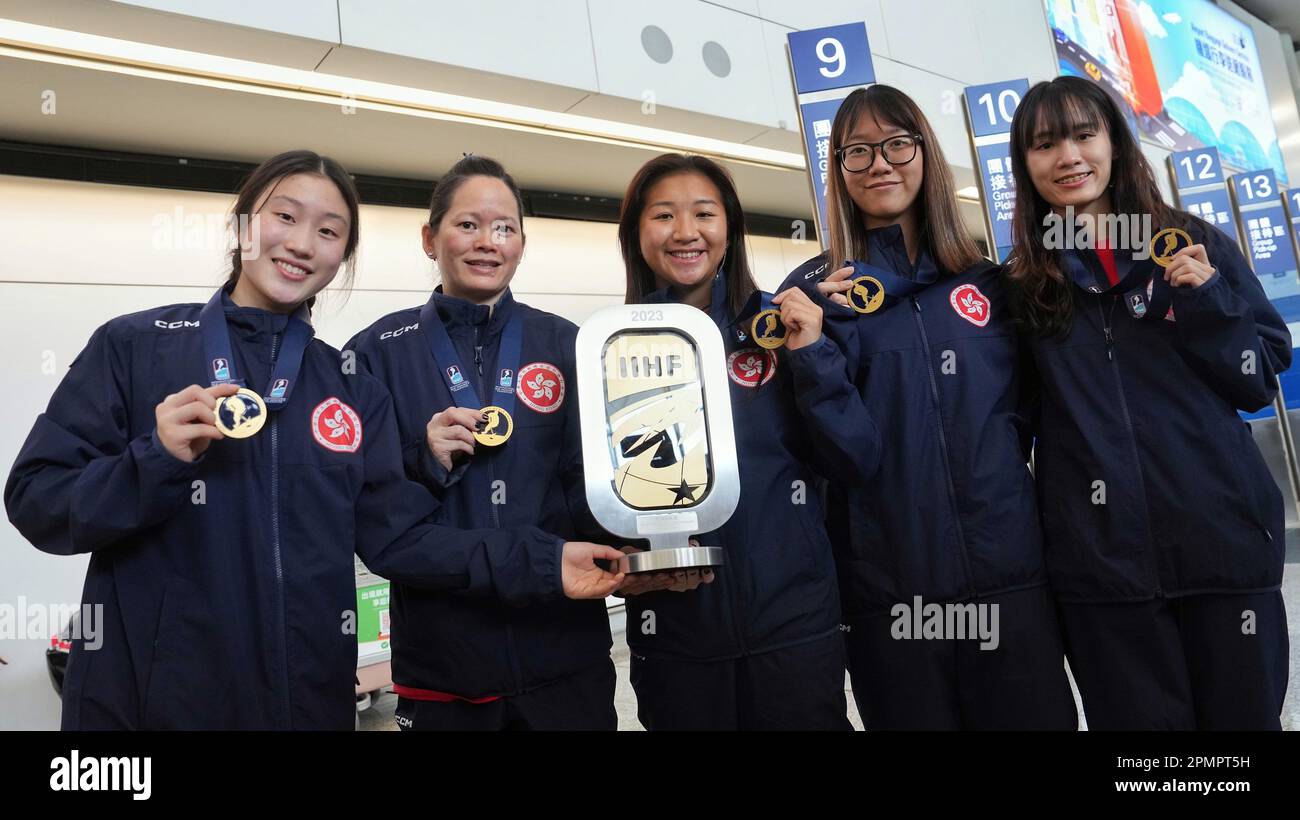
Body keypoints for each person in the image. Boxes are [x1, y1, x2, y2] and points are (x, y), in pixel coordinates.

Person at [4, 150, 625, 730]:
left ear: (342, 256)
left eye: (329, 232)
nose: (302, 244)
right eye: (285, 217)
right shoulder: (137, 346)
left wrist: (547, 562)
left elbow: (399, 539)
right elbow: (37, 500)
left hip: (309, 702)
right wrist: (153, 460)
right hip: (151, 702)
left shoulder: (350, 384)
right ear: (244, 224)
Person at [781, 84, 1077, 730]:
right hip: (892, 597)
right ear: (837, 170)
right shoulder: (814, 297)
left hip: (1010, 583)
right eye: (856, 152)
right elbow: (832, 457)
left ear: (925, 153)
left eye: (896, 144)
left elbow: (1033, 424)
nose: (879, 163)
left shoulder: (992, 287)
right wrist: (813, 346)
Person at [1006, 76, 1291, 729]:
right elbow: (1010, 423)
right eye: (1045, 144)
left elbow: (1261, 372)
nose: (1068, 157)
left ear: (1113, 140)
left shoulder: (1192, 243)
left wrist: (1208, 305)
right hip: (1103, 571)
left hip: (1222, 546)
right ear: (1024, 164)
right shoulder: (1026, 283)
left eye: (1084, 134)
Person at [346, 154, 619, 730]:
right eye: (467, 225)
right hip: (445, 671)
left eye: (504, 228)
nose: (487, 242)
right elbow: (374, 523)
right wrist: (422, 460)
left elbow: (598, 488)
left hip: (566, 658)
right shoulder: (375, 354)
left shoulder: (570, 345)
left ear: (522, 243)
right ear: (430, 238)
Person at [617, 152, 874, 730]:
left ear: (729, 230)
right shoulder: (614, 350)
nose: (685, 232)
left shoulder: (783, 327)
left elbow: (856, 459)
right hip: (676, 636)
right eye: (663, 215)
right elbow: (592, 490)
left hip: (794, 630)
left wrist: (810, 355)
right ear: (637, 235)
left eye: (704, 213)